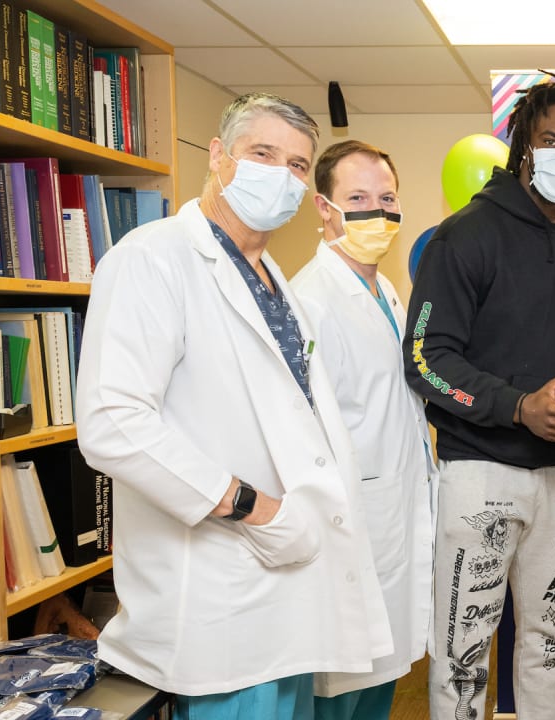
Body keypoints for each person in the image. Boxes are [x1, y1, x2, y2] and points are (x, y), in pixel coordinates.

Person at [76, 93, 392, 720]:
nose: (281, 175)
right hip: (222, 592)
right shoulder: (152, 258)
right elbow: (113, 424)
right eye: (262, 154)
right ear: (220, 157)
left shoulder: (273, 277)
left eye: (298, 166)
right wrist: (251, 506)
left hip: (291, 587)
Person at [401, 73, 555, 720]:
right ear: (523, 145)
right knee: (462, 650)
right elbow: (426, 358)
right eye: (550, 140)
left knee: (552, 646)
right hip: (481, 472)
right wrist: (519, 405)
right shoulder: (465, 235)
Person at [289, 140, 434, 720]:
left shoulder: (389, 291)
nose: (377, 213)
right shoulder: (310, 299)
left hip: (393, 507)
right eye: (358, 199)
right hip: (349, 523)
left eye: (387, 198)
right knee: (342, 688)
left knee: (381, 673)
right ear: (324, 208)